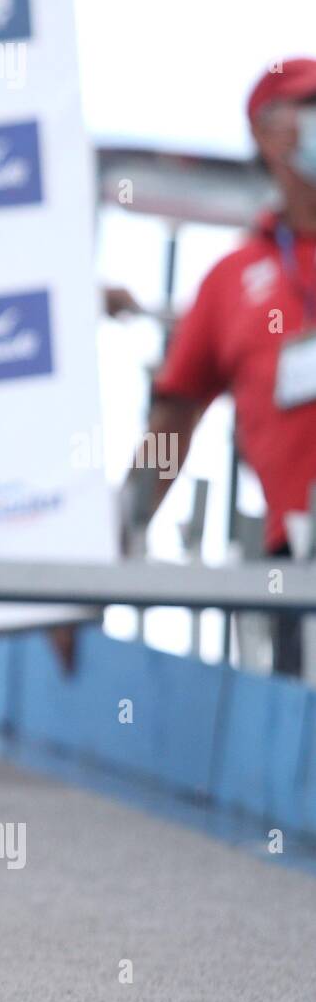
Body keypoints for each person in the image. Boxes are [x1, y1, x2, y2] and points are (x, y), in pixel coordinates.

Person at [125, 57, 316, 673]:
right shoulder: (233, 282)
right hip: (302, 560)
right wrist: (114, 543)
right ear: (265, 133)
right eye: (307, 108)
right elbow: (172, 421)